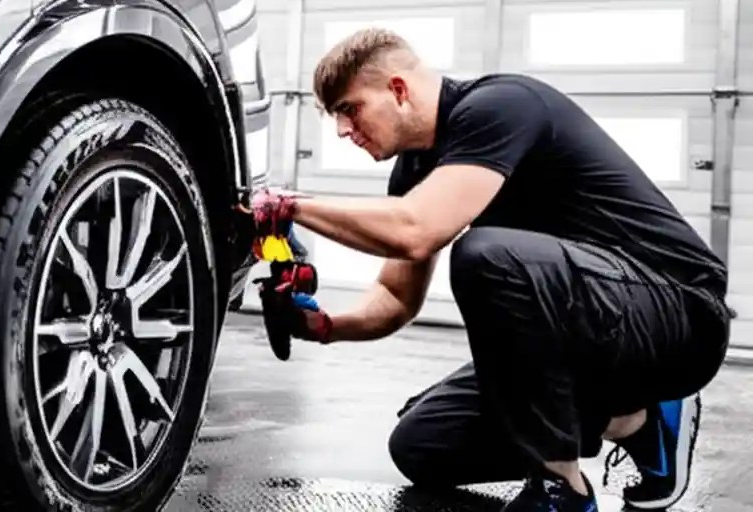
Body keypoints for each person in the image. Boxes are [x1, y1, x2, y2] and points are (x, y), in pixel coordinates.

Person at [247, 28, 732, 511]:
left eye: (349, 109)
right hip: (591, 324)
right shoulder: (416, 169)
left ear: (397, 89)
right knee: (422, 445)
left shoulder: (500, 106)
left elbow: (417, 229)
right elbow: (395, 298)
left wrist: (292, 206)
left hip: (679, 314)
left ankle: (560, 489)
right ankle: (643, 424)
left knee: (487, 257)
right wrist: (326, 326)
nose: (342, 131)